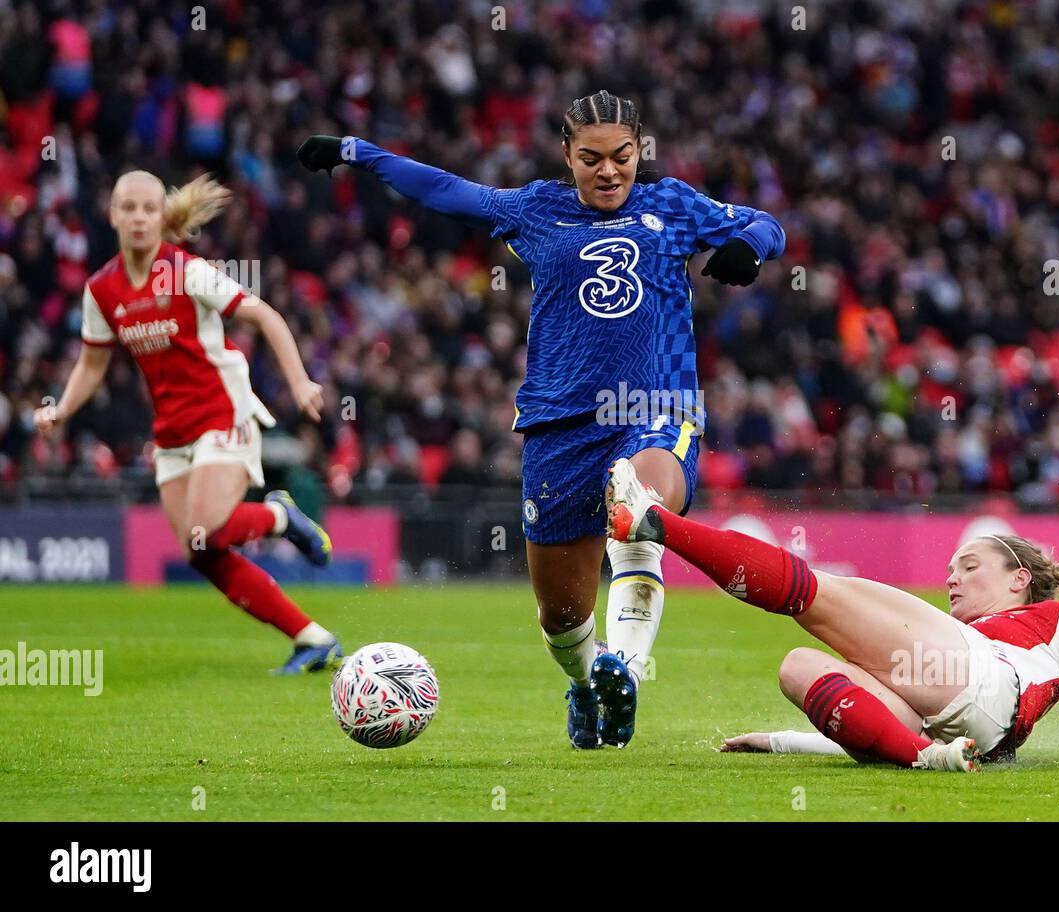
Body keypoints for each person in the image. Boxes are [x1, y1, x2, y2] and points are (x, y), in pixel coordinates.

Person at [297, 89, 786, 748]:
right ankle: (586, 685)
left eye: (622, 156)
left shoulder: (672, 204)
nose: (608, 171)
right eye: (591, 158)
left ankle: (626, 669)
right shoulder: (535, 209)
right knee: (561, 616)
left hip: (654, 407)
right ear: (567, 155)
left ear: (639, 150)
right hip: (560, 421)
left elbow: (767, 224)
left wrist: (748, 247)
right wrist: (360, 152)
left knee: (638, 509)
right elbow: (446, 190)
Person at [606, 458, 1059, 770]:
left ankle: (656, 522)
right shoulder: (954, 645)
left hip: (989, 684)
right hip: (962, 731)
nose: (952, 578)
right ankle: (930, 759)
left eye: (970, 566)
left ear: (1019, 579)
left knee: (819, 593)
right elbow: (869, 725)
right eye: (951, 569)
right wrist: (777, 740)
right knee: (798, 666)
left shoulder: (1055, 618)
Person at [34, 170, 342, 675]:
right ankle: (313, 638)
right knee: (200, 551)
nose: (138, 217)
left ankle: (280, 516)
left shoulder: (185, 271)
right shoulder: (101, 289)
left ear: (161, 217)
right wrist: (61, 410)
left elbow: (264, 315)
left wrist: (300, 381)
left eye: (148, 208)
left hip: (222, 412)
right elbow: (91, 363)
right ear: (112, 215)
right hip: (172, 432)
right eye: (128, 208)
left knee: (206, 530)